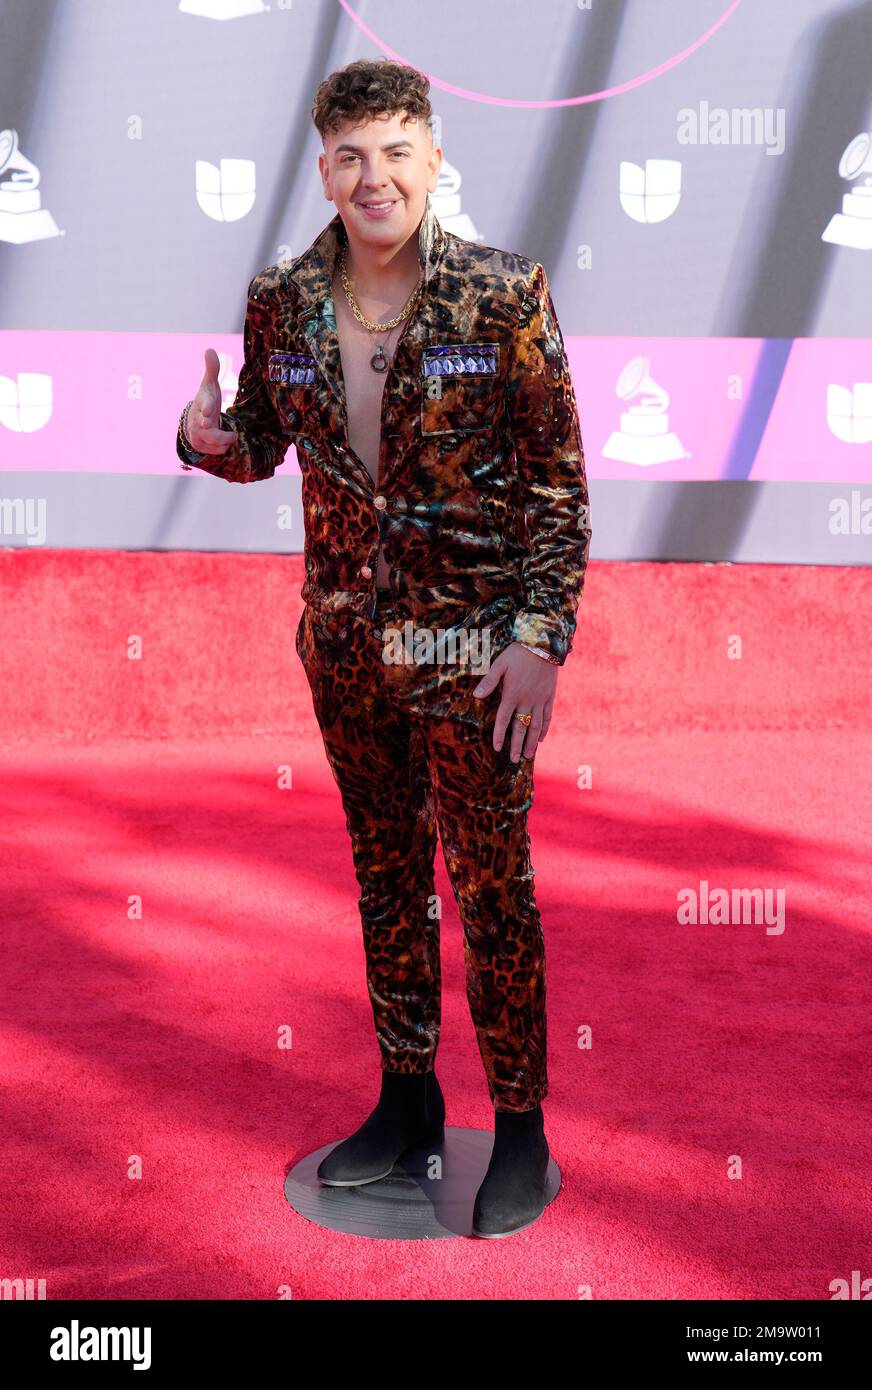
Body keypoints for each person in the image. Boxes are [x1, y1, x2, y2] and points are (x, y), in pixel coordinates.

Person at [176, 57, 592, 1238]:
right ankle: (407, 1102)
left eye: (397, 152)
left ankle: (519, 1128)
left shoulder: (503, 295)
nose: (375, 177)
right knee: (384, 879)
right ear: (324, 168)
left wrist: (539, 640)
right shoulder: (280, 299)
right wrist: (205, 437)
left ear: (434, 160)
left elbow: (559, 490)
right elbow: (262, 436)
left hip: (475, 653)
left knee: (491, 886)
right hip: (349, 648)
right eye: (351, 155)